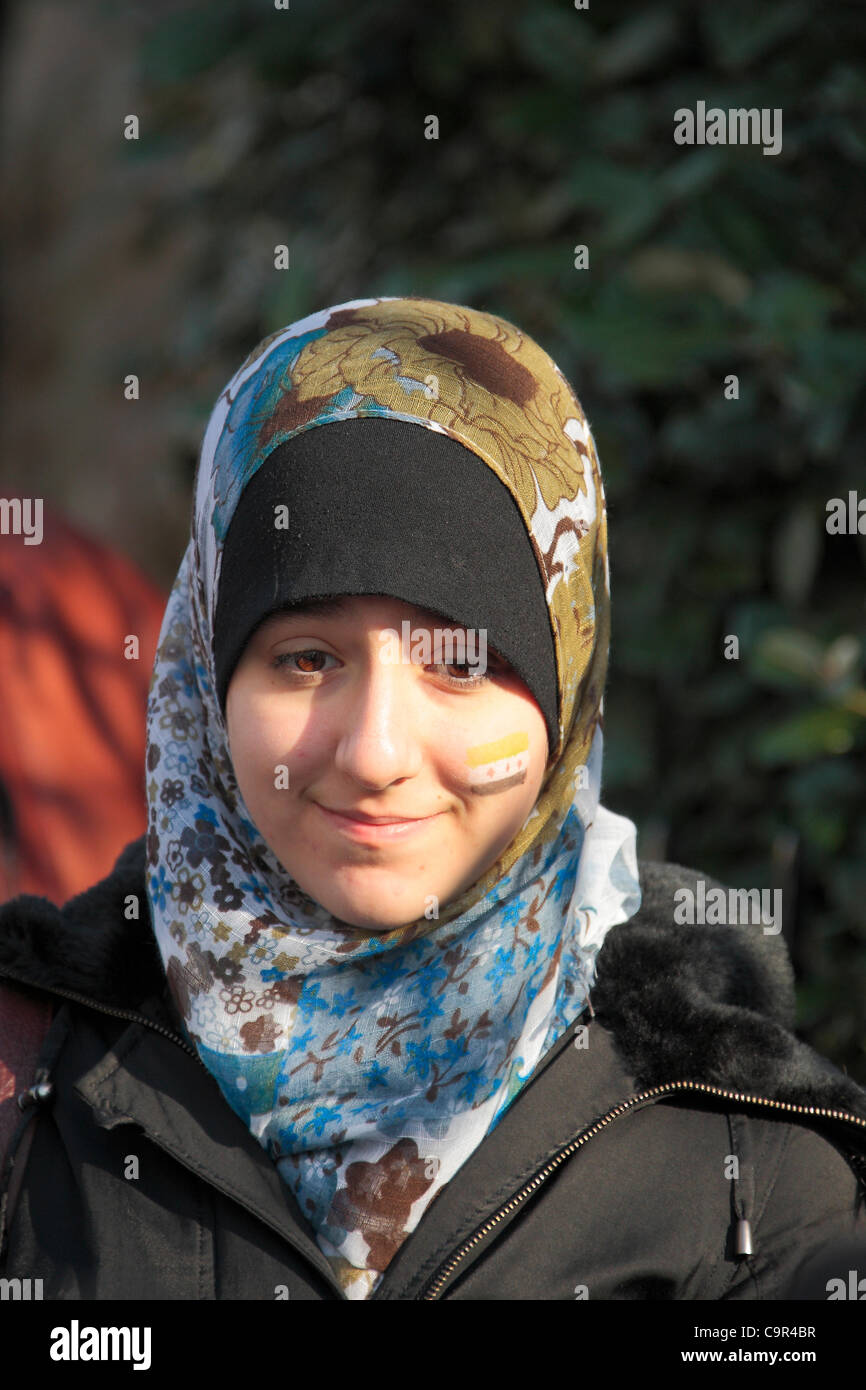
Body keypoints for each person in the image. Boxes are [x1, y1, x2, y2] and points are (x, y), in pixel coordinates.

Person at [0, 295, 864, 1302]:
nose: (374, 751)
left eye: (457, 664)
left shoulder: (744, 1170)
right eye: (304, 657)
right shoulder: (29, 1093)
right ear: (207, 682)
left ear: (564, 690)